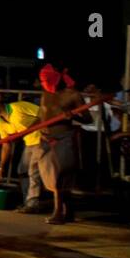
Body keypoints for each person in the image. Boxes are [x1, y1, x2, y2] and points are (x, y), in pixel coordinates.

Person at [35, 64, 85, 225]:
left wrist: (72, 116)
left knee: (60, 176)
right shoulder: (45, 95)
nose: (42, 83)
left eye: (45, 80)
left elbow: (88, 119)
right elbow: (39, 117)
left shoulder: (73, 95)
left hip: (64, 138)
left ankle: (58, 212)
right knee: (50, 176)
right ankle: (69, 211)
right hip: (45, 139)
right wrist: (22, 132)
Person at [0, 96, 42, 212]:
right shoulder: (1, 123)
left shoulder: (18, 107)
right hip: (29, 143)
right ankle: (28, 201)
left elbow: (42, 113)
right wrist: (1, 166)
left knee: (33, 170)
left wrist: (27, 130)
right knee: (22, 170)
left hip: (42, 139)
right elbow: (6, 145)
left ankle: (33, 203)